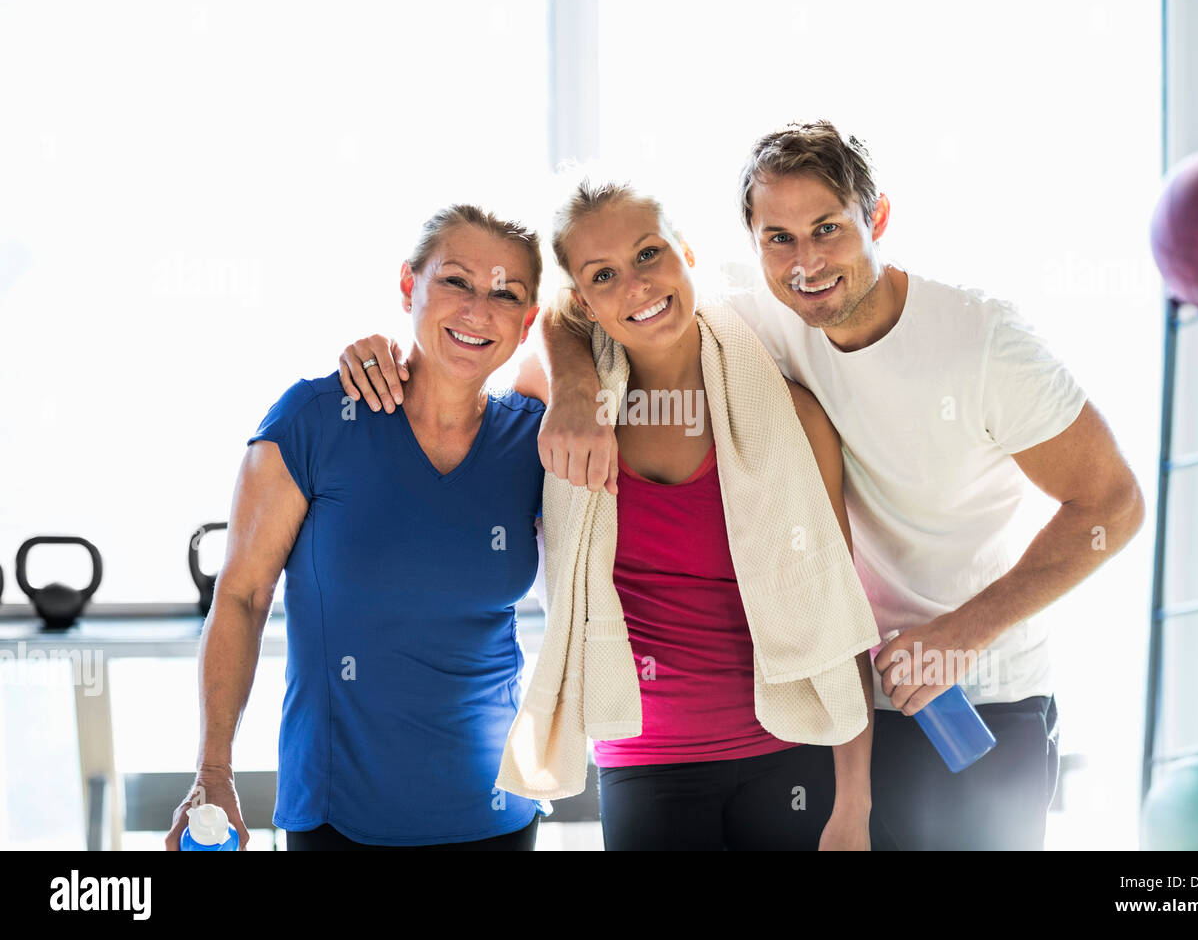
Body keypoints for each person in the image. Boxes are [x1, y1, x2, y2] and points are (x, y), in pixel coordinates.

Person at [353, 122, 1147, 850]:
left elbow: (1113, 506)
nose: (805, 262)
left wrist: (959, 635)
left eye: (827, 229)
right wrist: (572, 390)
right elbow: (572, 304)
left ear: (877, 218)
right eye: (779, 238)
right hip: (844, 697)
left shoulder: (982, 343)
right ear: (752, 246)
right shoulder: (760, 317)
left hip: (978, 694)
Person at [339, 178, 878, 850]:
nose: (637, 286)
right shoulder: (548, 411)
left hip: (790, 748)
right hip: (647, 765)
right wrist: (376, 352)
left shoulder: (791, 415)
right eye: (604, 274)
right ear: (583, 300)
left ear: (685, 252)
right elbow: (451, 390)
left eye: (650, 254)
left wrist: (853, 805)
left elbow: (842, 620)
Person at [164, 204, 550, 851]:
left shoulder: (534, 439)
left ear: (528, 320)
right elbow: (242, 595)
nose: (479, 309)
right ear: (408, 286)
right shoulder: (314, 420)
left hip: (499, 815)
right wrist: (213, 769)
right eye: (456, 281)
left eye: (505, 293)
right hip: (338, 819)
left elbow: (616, 349)